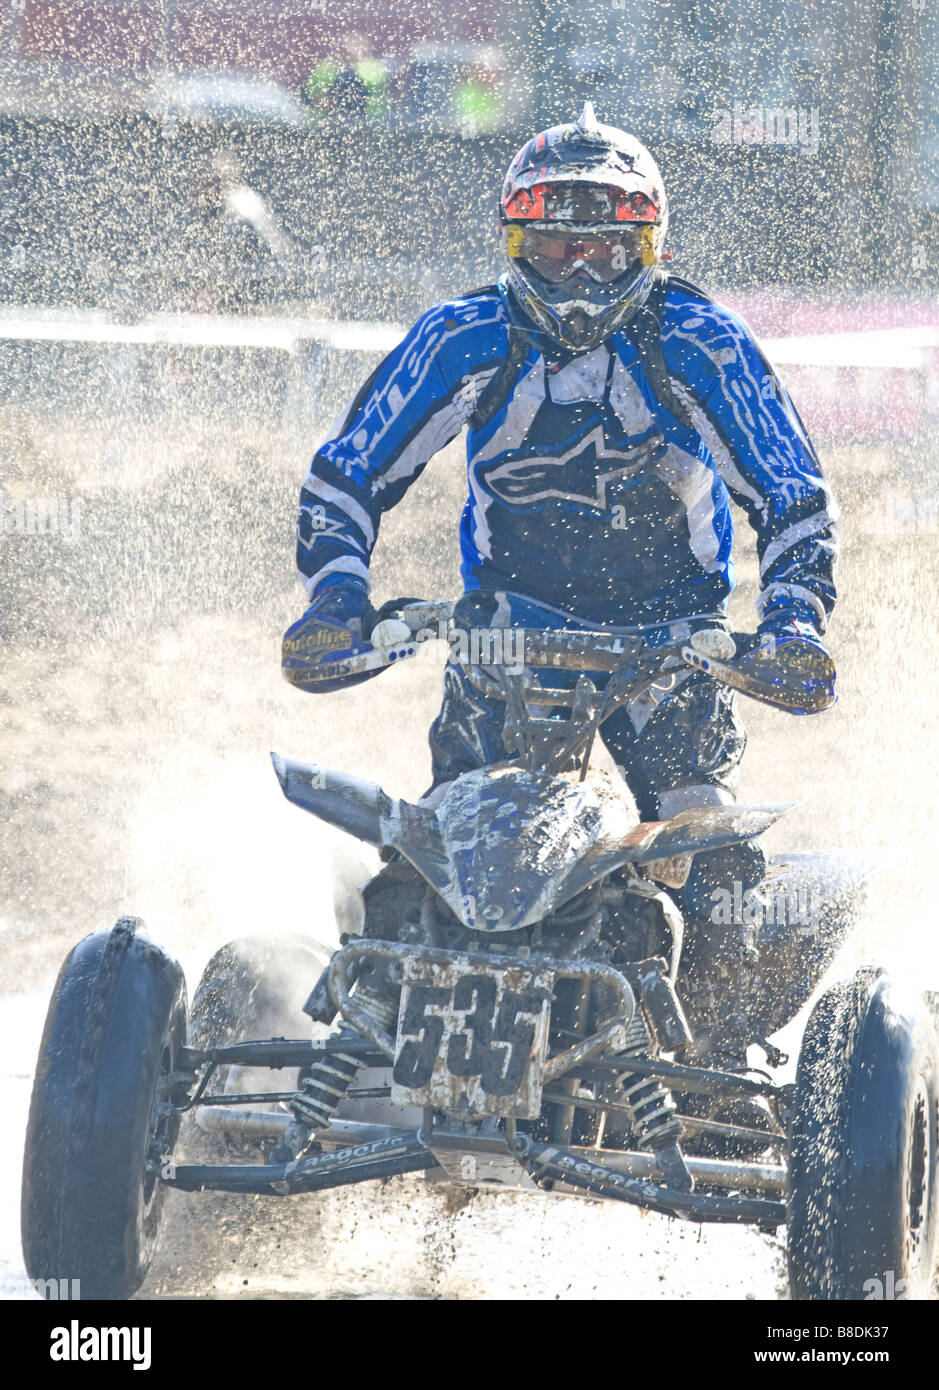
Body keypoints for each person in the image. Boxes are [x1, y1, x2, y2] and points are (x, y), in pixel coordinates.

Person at [281, 102, 838, 1093]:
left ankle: (708, 1075)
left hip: (669, 642)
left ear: (646, 245)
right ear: (516, 241)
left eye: (604, 243)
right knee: (440, 852)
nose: (580, 268)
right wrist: (337, 595)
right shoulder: (464, 335)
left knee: (701, 839)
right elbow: (346, 474)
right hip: (506, 632)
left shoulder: (700, 341)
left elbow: (791, 493)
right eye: (555, 240)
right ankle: (383, 1045)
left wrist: (793, 621)